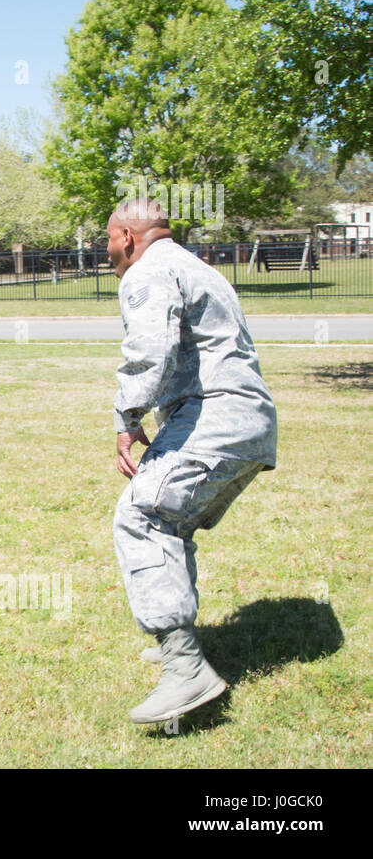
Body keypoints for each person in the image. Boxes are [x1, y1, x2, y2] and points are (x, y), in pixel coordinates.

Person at [106, 198, 277, 724]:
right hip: (250, 422)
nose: (107, 250)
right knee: (171, 521)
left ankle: (186, 670)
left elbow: (149, 349)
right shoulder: (198, 266)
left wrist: (127, 416)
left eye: (108, 239)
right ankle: (178, 644)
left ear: (129, 237)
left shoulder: (148, 272)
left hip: (212, 420)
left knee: (141, 517)